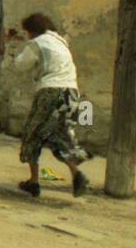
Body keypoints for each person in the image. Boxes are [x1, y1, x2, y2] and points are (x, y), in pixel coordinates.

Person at [5, 13, 89, 199]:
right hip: (71, 92)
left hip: (50, 92)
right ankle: (76, 174)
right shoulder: (61, 42)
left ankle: (34, 182)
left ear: (32, 30)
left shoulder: (37, 43)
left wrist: (10, 47)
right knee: (58, 135)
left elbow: (20, 65)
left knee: (32, 133)